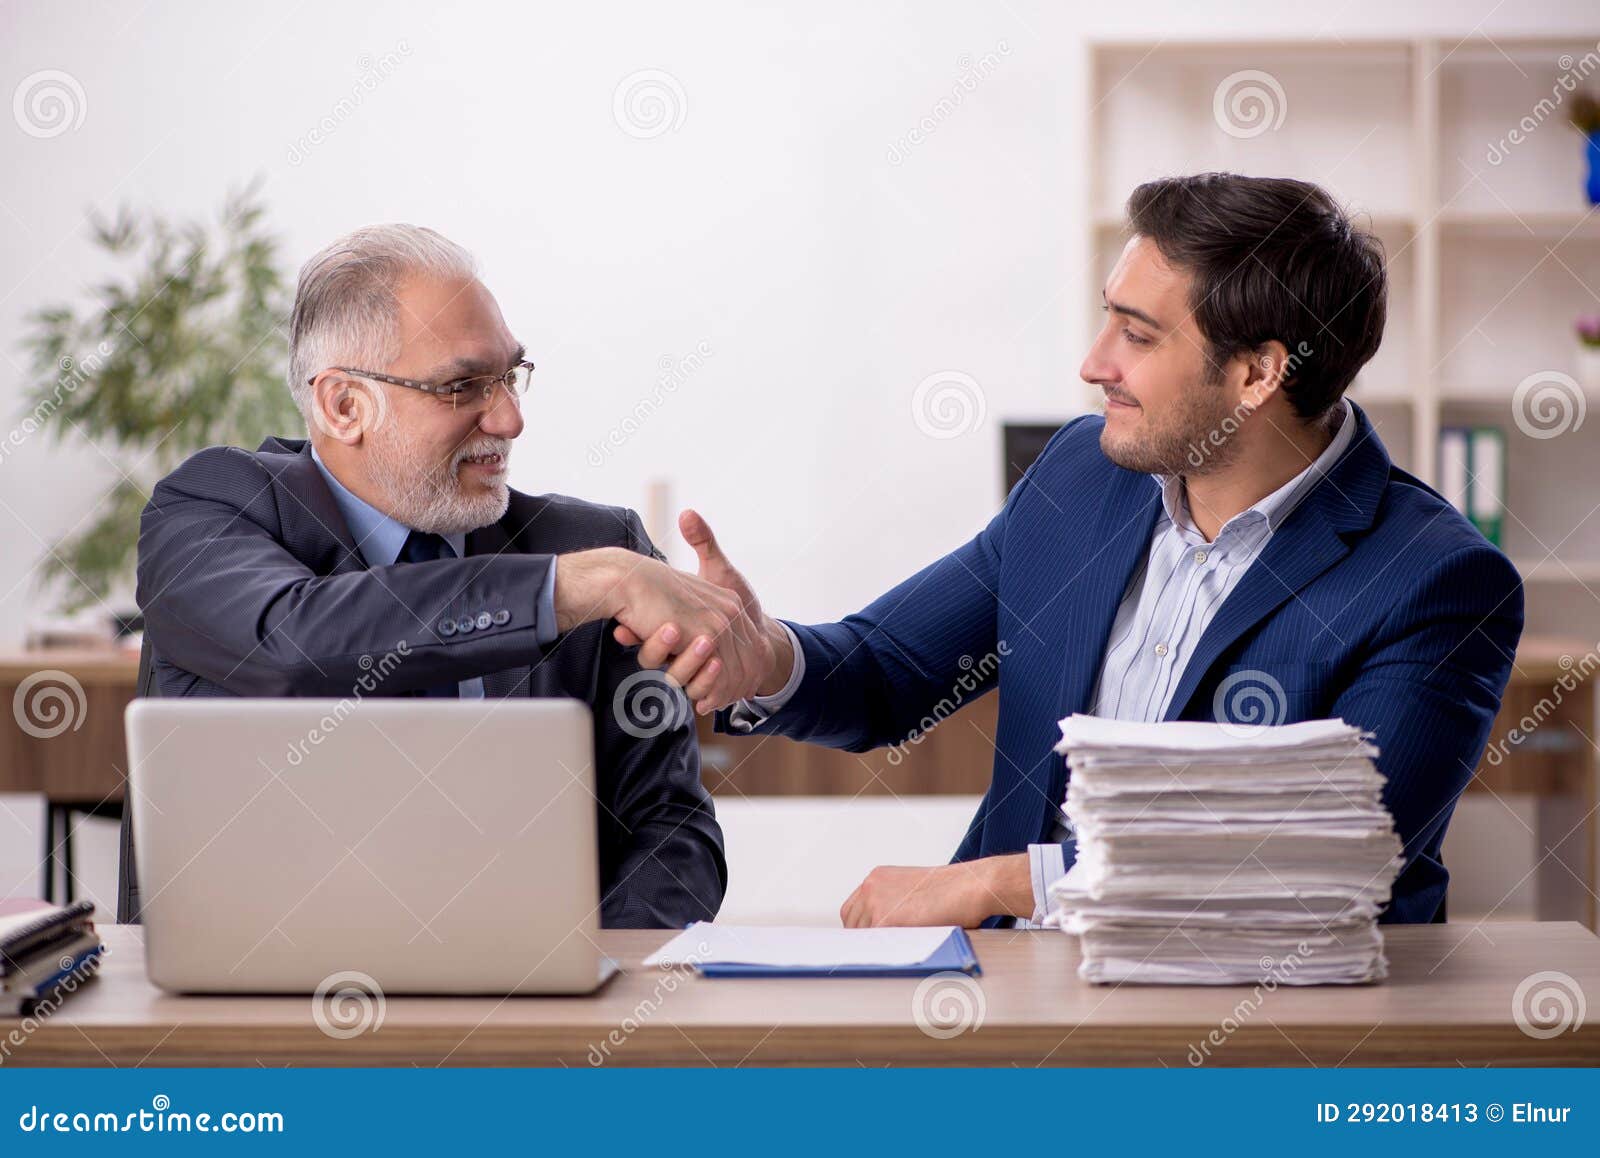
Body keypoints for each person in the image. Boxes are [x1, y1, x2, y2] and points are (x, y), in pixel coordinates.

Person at [652, 173, 1524, 928]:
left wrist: (1007, 881)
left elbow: (1322, 867)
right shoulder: (1081, 475)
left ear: (1258, 374)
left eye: (1138, 336)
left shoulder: (1437, 580)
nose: (1092, 363)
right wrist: (763, 653)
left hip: (1247, 1034)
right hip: (1012, 1003)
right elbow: (887, 670)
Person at [135, 224, 759, 928]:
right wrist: (573, 588)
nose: (510, 417)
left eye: (510, 376)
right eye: (464, 386)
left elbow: (670, 827)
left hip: (533, 1012)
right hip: (254, 1004)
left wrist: (598, 987)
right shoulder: (214, 508)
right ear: (344, 405)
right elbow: (292, 645)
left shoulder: (592, 542)